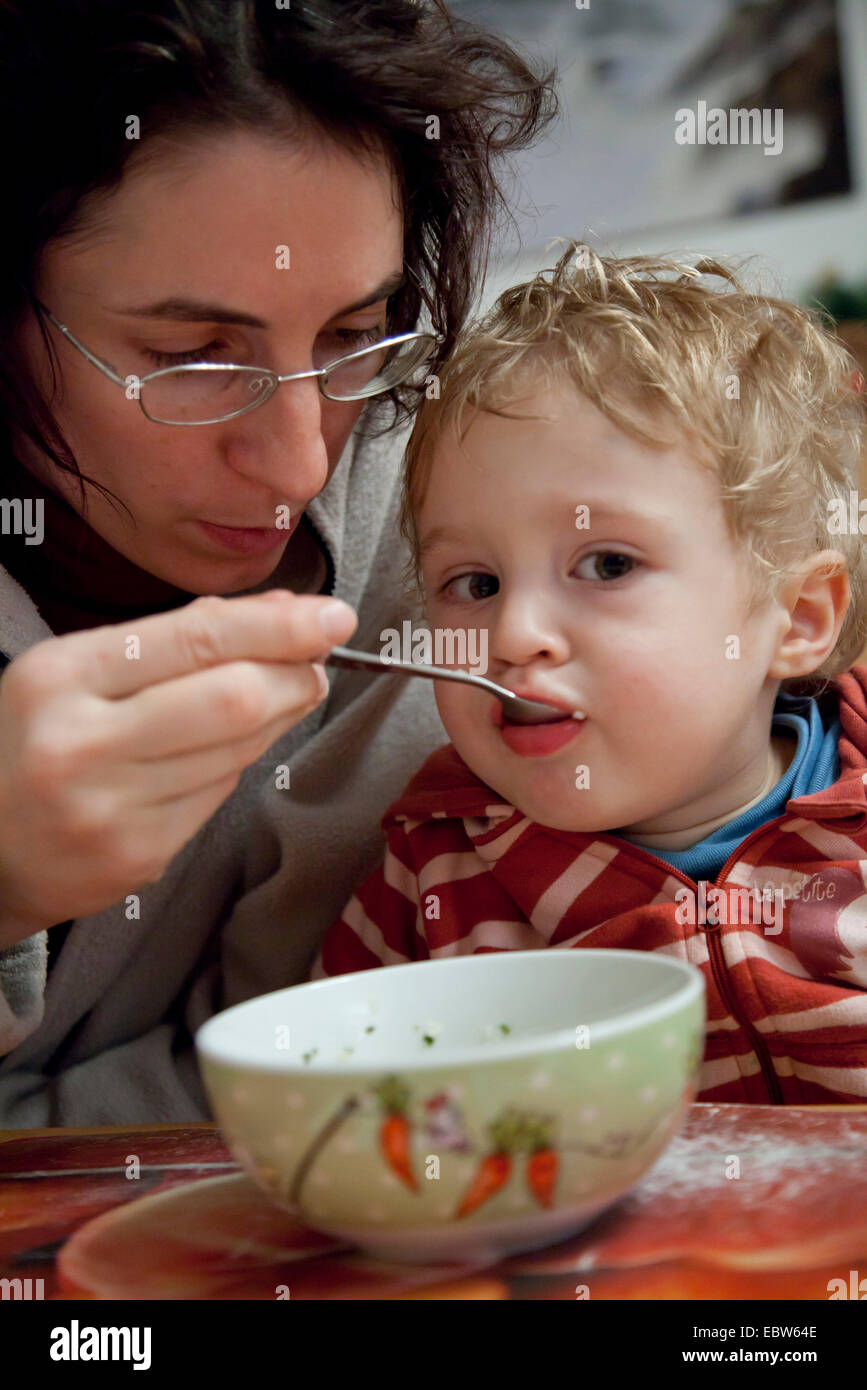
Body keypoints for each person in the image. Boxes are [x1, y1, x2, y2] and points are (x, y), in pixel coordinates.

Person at [0, 0, 556, 1126]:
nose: (300, 464)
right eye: (194, 355)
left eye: (357, 333)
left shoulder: (453, 524)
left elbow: (352, 1063)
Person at [312, 244, 867, 1107]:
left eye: (607, 565)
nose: (516, 632)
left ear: (794, 620)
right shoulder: (428, 877)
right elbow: (336, 1111)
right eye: (475, 584)